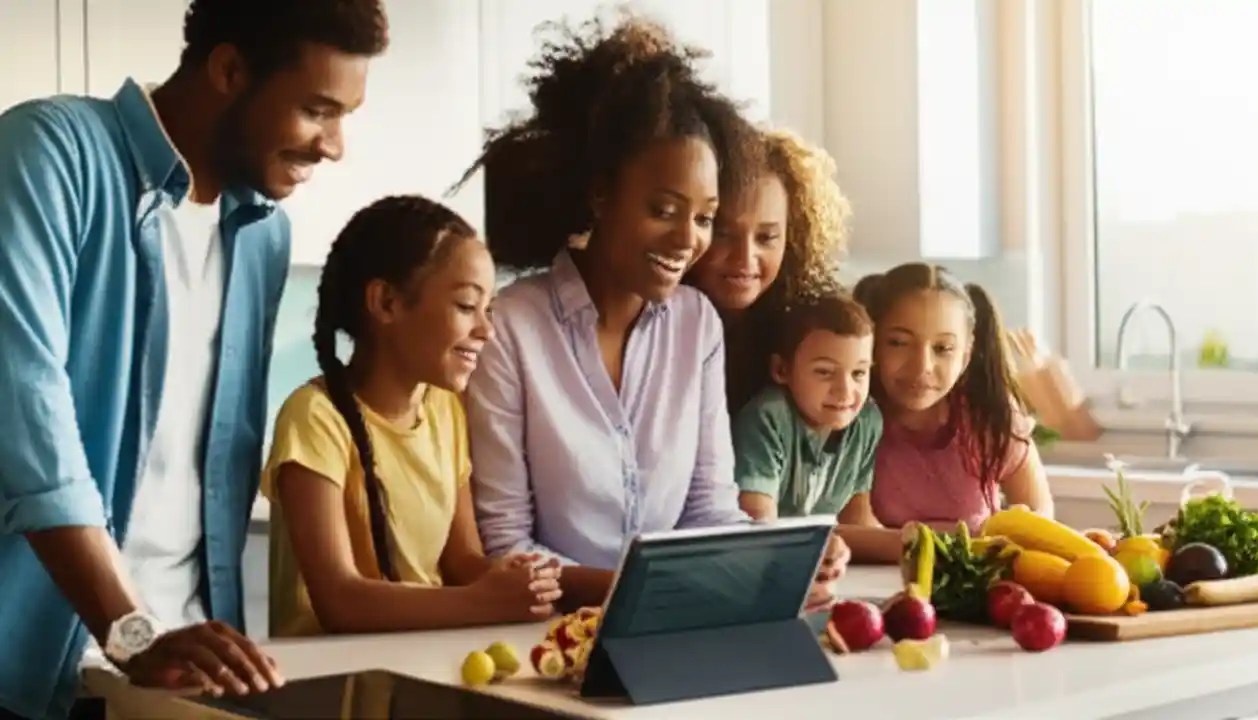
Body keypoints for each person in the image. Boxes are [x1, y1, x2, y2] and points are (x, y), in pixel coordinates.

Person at [0, 1, 388, 717]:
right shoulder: (49, 154)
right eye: (317, 109)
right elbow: (29, 426)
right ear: (230, 69)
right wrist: (131, 631)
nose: (334, 145)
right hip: (50, 673)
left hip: (182, 680)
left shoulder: (265, 235)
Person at [457, 16, 848, 611]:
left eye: (703, 216)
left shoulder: (697, 324)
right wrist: (660, 588)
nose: (686, 239)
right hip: (540, 639)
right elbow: (507, 546)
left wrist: (785, 558)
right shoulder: (511, 327)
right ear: (601, 194)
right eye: (664, 209)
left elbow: (708, 511)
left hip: (674, 625)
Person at [261, 195, 562, 637]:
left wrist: (514, 578)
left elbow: (462, 562)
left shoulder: (445, 409)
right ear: (386, 303)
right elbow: (340, 601)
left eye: (489, 310)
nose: (486, 330)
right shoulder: (315, 418)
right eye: (465, 306)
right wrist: (483, 600)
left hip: (419, 664)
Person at [852, 263, 1054, 544]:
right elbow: (856, 527)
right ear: (871, 343)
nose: (922, 366)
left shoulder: (989, 416)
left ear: (966, 355)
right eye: (898, 342)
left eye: (943, 349)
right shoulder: (851, 419)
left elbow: (1040, 516)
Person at [686, 128, 850, 415]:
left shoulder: (806, 327)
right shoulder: (659, 321)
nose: (744, 257)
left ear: (793, 238)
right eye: (724, 234)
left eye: (766, 238)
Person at [732, 294, 888, 559]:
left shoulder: (866, 421)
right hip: (767, 563)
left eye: (859, 373)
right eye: (825, 372)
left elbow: (856, 516)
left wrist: (920, 544)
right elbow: (757, 523)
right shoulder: (768, 418)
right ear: (781, 369)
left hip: (818, 562)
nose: (845, 391)